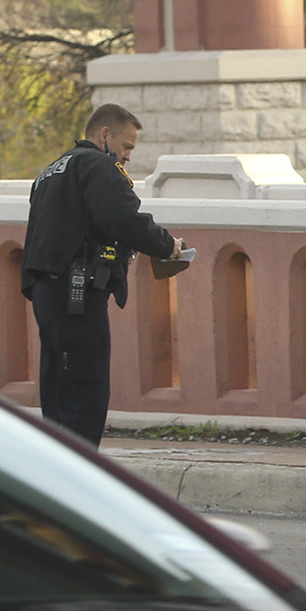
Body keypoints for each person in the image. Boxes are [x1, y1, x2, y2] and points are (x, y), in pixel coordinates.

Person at [22, 104, 185, 446]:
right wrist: (166, 245)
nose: (126, 157)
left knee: (57, 382)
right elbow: (123, 217)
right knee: (86, 385)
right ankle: (81, 470)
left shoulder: (53, 169)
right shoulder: (97, 165)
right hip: (76, 292)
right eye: (126, 147)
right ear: (105, 134)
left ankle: (57, 466)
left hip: (45, 290)